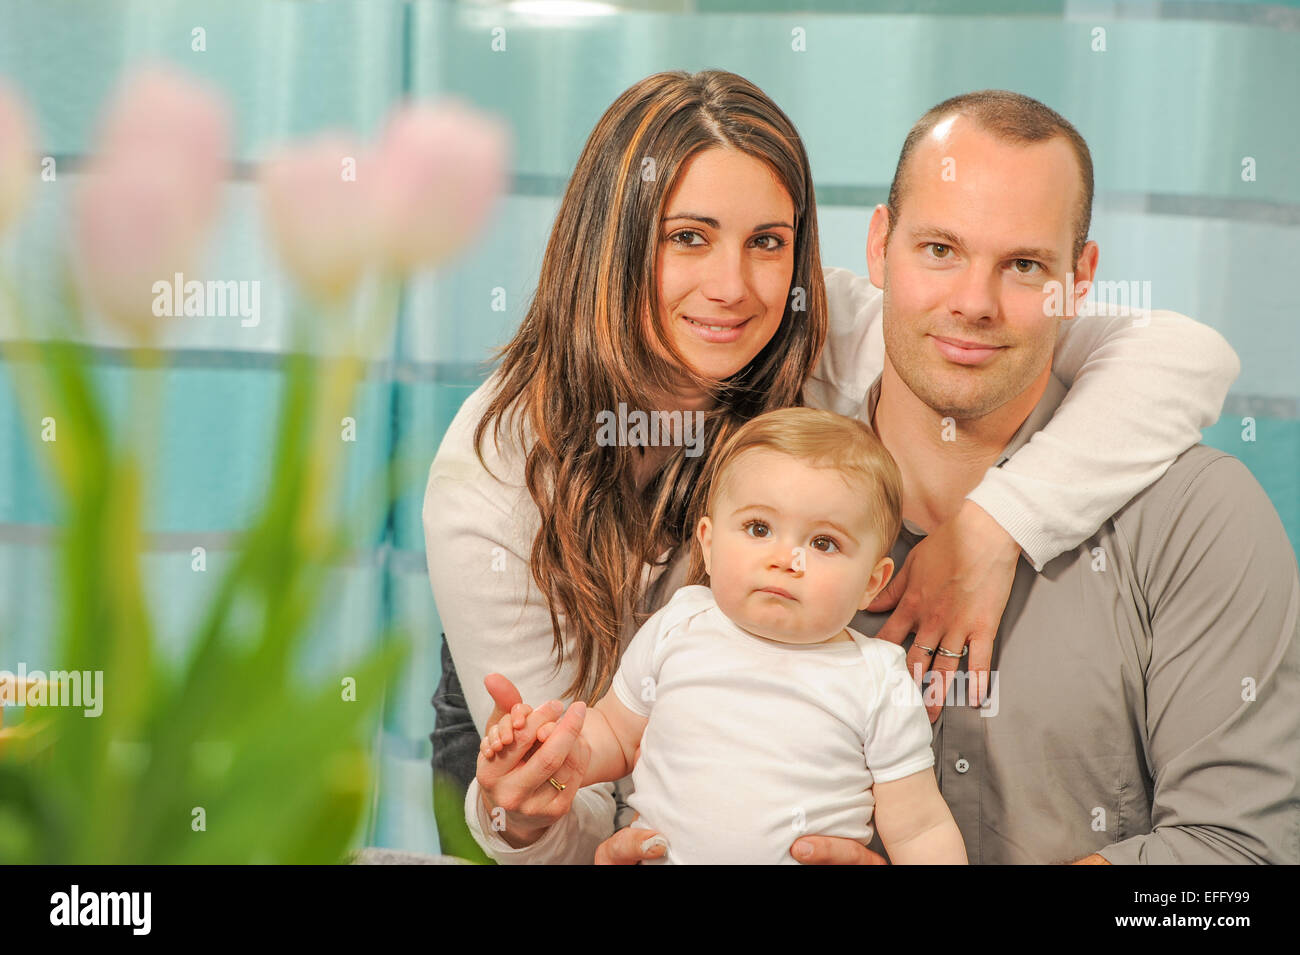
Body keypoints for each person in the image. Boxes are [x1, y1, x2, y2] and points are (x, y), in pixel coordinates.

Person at [423, 71, 1240, 865]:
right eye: (687, 236)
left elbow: (1185, 354)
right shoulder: (493, 477)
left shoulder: (817, 324)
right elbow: (574, 780)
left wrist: (992, 529)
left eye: (768, 243)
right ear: (612, 240)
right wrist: (539, 818)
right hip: (559, 726)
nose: (733, 288)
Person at [477, 407, 968, 864]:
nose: (785, 559)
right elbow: (616, 736)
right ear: (708, 547)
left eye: (823, 543)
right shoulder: (680, 624)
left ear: (871, 582)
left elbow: (919, 827)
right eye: (758, 528)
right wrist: (551, 751)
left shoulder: (876, 677)